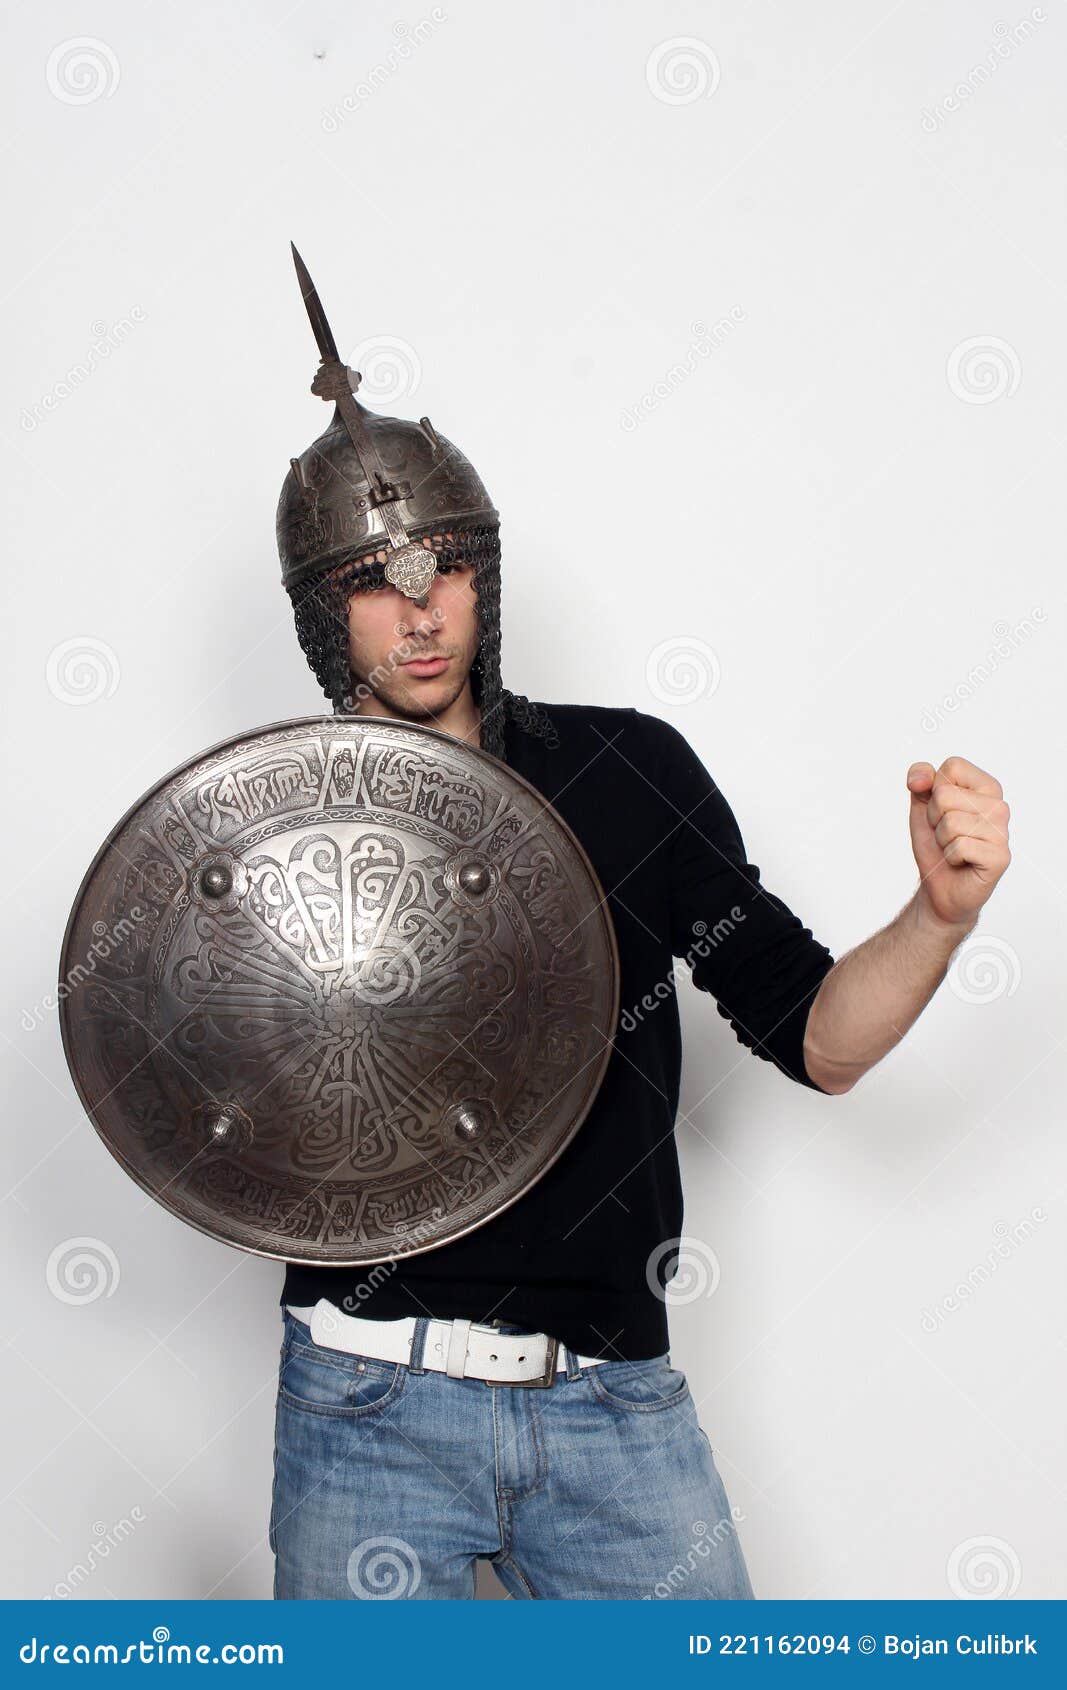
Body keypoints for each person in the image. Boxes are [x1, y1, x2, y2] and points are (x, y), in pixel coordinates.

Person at [268, 255, 1012, 1601]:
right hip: (361, 1399)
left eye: (444, 568)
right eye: (375, 580)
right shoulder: (270, 837)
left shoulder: (628, 775)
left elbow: (816, 1036)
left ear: (485, 574)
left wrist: (940, 917)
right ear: (329, 613)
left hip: (610, 1405)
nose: (421, 607)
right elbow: (206, 1095)